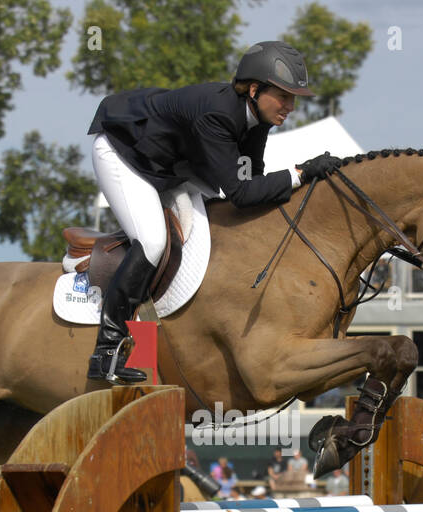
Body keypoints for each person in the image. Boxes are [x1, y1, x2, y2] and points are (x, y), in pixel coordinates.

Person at [84, 41, 342, 383]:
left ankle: (150, 346)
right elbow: (241, 193)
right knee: (152, 242)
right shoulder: (217, 113)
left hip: (170, 168)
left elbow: (255, 183)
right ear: (253, 89)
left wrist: (300, 182)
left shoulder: (258, 120)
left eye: (293, 98)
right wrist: (300, 173)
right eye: (284, 96)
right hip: (124, 154)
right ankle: (106, 352)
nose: (290, 106)